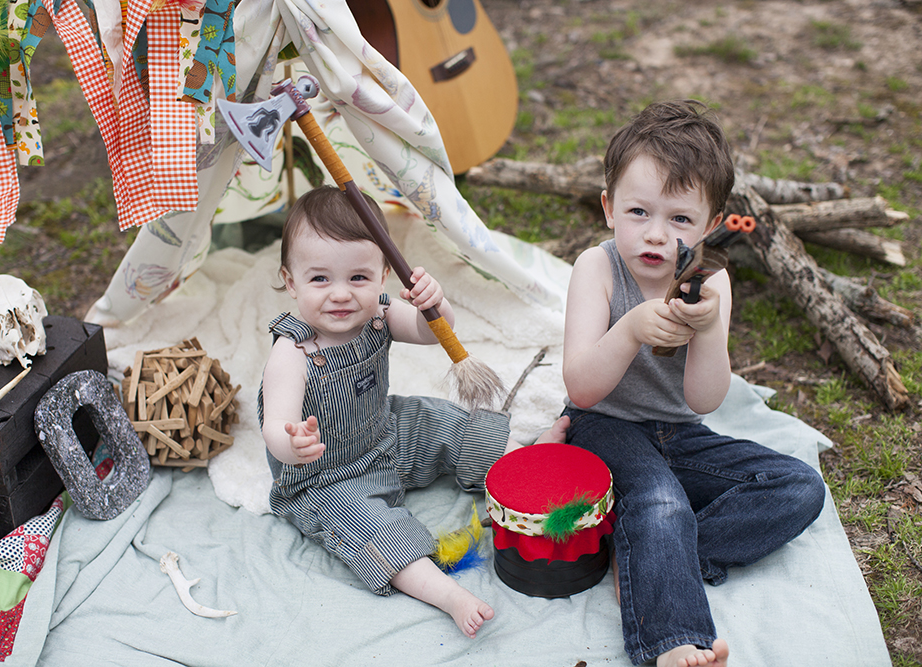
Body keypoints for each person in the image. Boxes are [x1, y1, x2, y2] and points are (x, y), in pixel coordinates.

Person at [560, 101, 826, 667]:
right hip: (602, 426)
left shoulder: (711, 283)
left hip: (679, 434)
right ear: (609, 208)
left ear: (709, 224)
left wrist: (706, 332)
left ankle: (644, 556)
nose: (655, 235)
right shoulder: (597, 269)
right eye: (638, 212)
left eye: (679, 220)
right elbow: (581, 388)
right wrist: (629, 330)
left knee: (799, 487)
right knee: (661, 501)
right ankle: (673, 642)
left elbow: (704, 401)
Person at [259, 185, 568, 639]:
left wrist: (433, 304)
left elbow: (430, 332)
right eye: (320, 279)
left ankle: (519, 458)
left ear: (383, 275)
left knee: (440, 419)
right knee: (369, 530)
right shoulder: (293, 351)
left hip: (384, 434)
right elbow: (273, 426)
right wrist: (291, 443)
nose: (341, 295)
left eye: (358, 278)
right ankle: (448, 594)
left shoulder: (379, 315)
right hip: (324, 478)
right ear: (291, 281)